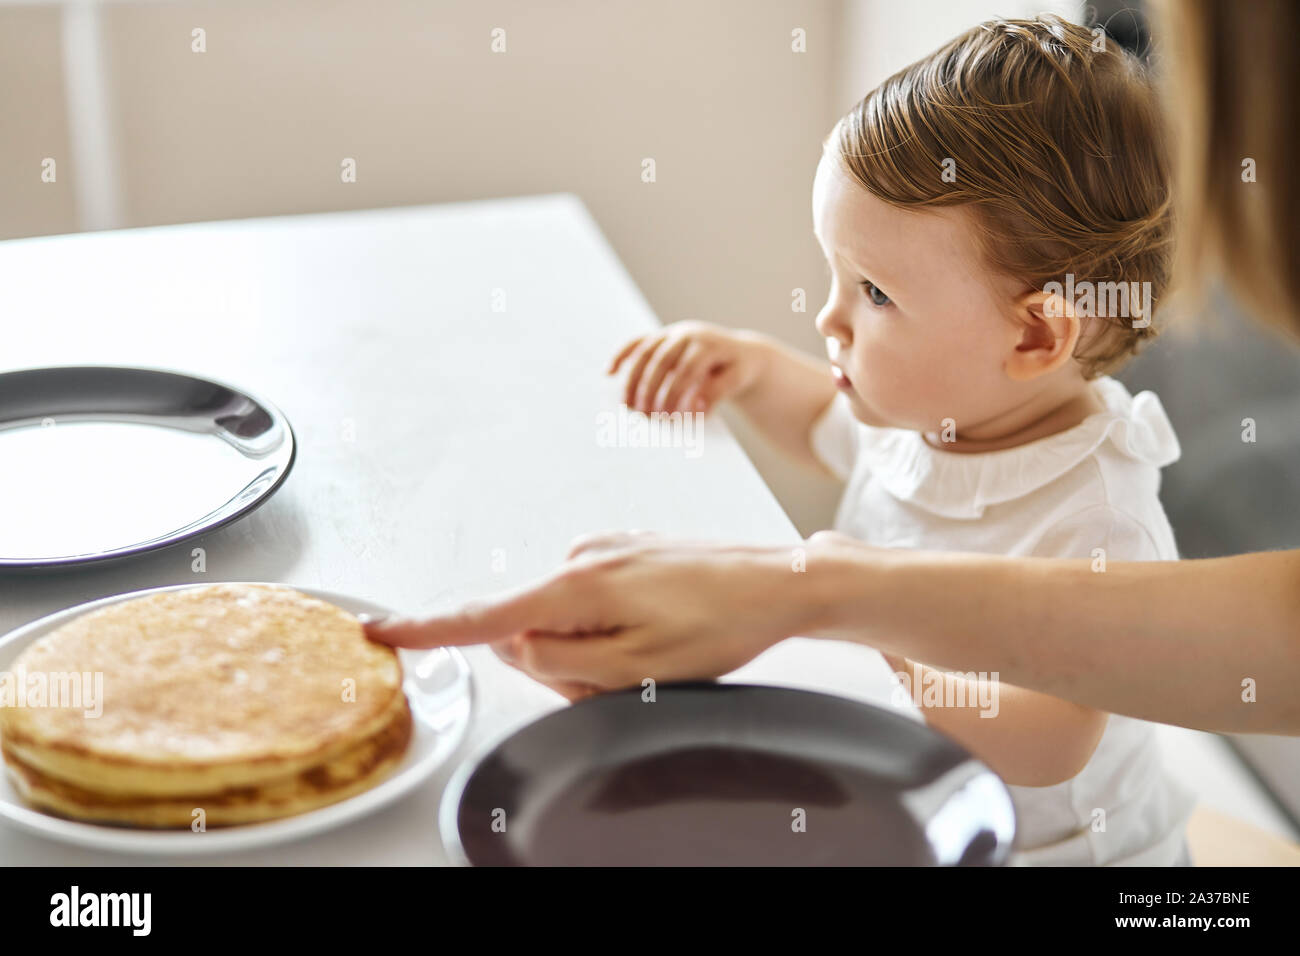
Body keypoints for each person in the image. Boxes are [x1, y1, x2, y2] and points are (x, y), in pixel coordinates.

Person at [367, 0, 1300, 741]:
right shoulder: (934, 411)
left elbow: (1053, 739)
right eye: (836, 275)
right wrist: (747, 371)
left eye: (876, 294)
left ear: (1032, 340)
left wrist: (879, 648)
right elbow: (824, 423)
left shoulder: (1096, 512)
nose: (829, 319)